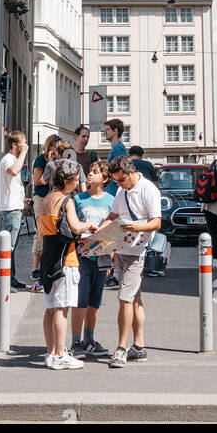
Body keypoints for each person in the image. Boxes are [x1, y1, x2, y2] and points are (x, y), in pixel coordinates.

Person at [102, 155, 162, 368]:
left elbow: (157, 222)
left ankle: (120, 348)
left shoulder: (148, 189)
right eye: (116, 181)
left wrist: (137, 227)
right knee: (134, 298)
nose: (118, 184)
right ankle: (138, 346)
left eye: (121, 180)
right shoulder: (121, 190)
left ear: (131, 173)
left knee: (125, 298)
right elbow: (113, 214)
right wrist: (100, 230)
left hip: (137, 249)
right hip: (121, 247)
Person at [38, 158, 88, 370]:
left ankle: (51, 352)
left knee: (50, 308)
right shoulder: (67, 201)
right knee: (62, 309)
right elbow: (75, 227)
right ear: (67, 181)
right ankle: (60, 354)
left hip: (48, 258)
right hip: (65, 259)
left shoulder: (47, 200)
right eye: (75, 180)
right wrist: (90, 225)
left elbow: (42, 235)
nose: (77, 183)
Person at [71, 159, 117, 359]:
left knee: (95, 300)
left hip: (101, 256)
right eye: (90, 171)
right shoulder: (79, 199)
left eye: (96, 172)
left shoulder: (111, 200)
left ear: (105, 178)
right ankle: (75, 342)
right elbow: (73, 227)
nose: (90, 175)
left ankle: (89, 339)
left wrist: (111, 257)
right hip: (81, 256)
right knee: (80, 299)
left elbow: (114, 230)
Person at [0, 129, 29, 290]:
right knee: (7, 246)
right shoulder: (8, 159)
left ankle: (10, 278)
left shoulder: (13, 159)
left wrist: (23, 201)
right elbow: (14, 171)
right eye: (23, 142)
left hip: (15, 206)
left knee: (11, 246)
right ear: (15, 144)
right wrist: (24, 153)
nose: (26, 145)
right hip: (10, 209)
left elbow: (14, 184)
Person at [30, 134, 60, 290]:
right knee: (41, 232)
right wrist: (49, 165)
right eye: (55, 146)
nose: (57, 149)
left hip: (54, 198)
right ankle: (36, 269)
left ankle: (47, 266)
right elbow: (37, 181)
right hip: (41, 198)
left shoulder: (58, 161)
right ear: (50, 146)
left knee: (51, 232)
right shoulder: (41, 160)